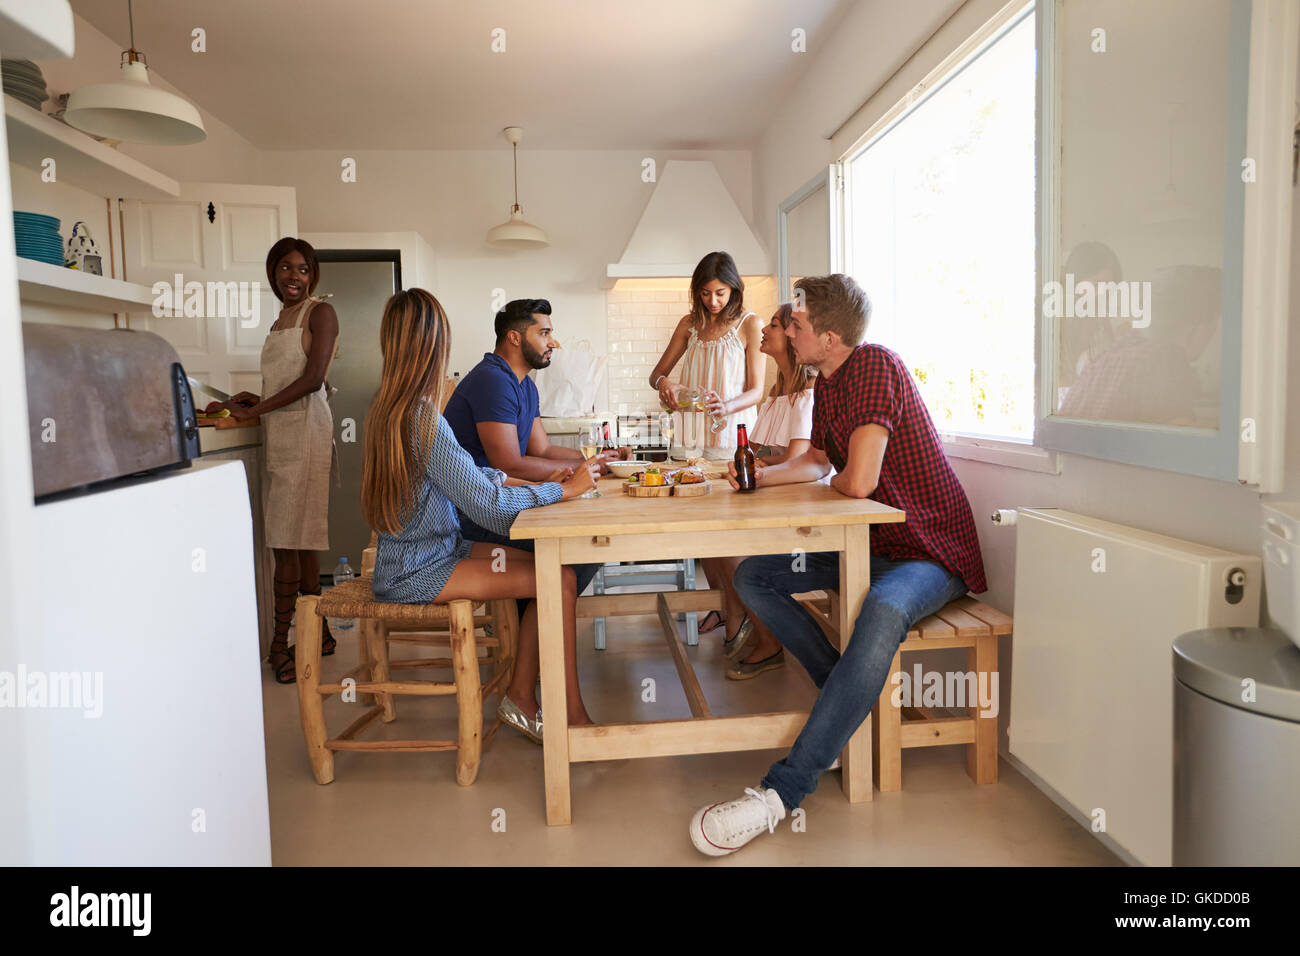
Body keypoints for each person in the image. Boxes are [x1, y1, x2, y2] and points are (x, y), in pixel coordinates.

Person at [688, 274, 987, 856]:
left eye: (795, 324)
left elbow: (859, 480)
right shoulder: (828, 380)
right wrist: (759, 478)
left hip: (930, 549)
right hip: (878, 545)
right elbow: (822, 460)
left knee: (880, 611)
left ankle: (781, 792)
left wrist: (836, 475)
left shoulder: (876, 365)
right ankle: (846, 698)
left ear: (828, 336)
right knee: (755, 575)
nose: (787, 330)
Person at [361, 289, 598, 740]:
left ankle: (523, 699)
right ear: (433, 346)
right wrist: (559, 491)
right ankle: (569, 718)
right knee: (559, 579)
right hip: (419, 568)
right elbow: (487, 508)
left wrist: (528, 484)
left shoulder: (394, 408)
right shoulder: (420, 417)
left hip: (436, 548)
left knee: (561, 572)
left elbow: (471, 474)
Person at [443, 298, 625, 597]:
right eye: (544, 333)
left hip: (499, 502)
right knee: (581, 546)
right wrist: (582, 470)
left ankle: (535, 626)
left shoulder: (524, 383)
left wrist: (597, 460)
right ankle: (537, 629)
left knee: (588, 540)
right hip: (472, 515)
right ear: (514, 337)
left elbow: (542, 449)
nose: (552, 342)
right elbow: (509, 464)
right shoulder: (492, 381)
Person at [222, 237, 340, 684]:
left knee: (286, 539)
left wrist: (259, 409)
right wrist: (262, 399)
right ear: (273, 272)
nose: (294, 277)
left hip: (306, 431)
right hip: (283, 431)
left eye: (303, 269)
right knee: (301, 536)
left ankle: (279, 646)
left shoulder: (320, 313)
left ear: (313, 275)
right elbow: (289, 379)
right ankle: (321, 633)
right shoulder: (280, 321)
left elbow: (313, 380)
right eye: (286, 268)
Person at [699, 302, 818, 679]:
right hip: (772, 499)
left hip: (798, 508)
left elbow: (797, 458)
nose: (764, 331)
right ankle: (738, 615)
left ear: (793, 336)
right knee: (705, 540)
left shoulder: (810, 391)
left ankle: (765, 639)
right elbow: (763, 450)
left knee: (729, 547)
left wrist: (761, 460)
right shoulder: (777, 391)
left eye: (776, 326)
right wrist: (756, 459)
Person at [648, 251, 765, 460]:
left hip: (729, 439)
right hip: (688, 438)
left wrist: (725, 407)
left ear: (734, 289)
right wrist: (664, 384)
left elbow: (756, 391)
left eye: (720, 293)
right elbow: (656, 374)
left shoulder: (750, 324)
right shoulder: (688, 324)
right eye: (705, 293)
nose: (712, 301)